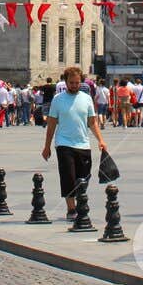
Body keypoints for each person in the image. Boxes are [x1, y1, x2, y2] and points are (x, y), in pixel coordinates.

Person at [42, 64, 109, 218]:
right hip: (64, 143)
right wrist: (47, 147)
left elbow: (92, 122)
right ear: (66, 82)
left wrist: (101, 140)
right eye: (71, 83)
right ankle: (71, 209)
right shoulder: (58, 100)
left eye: (77, 82)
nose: (74, 85)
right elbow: (51, 124)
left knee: (83, 178)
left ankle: (80, 203)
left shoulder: (86, 99)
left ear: (81, 82)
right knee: (68, 177)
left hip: (83, 143)